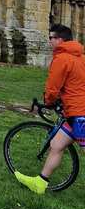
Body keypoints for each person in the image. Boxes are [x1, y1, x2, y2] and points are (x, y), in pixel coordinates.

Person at [15, 24, 85, 194]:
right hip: (73, 112)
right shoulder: (81, 57)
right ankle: (40, 183)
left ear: (60, 39)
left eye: (51, 37)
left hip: (80, 114)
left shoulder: (62, 58)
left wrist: (48, 102)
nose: (49, 41)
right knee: (56, 144)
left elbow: (52, 87)